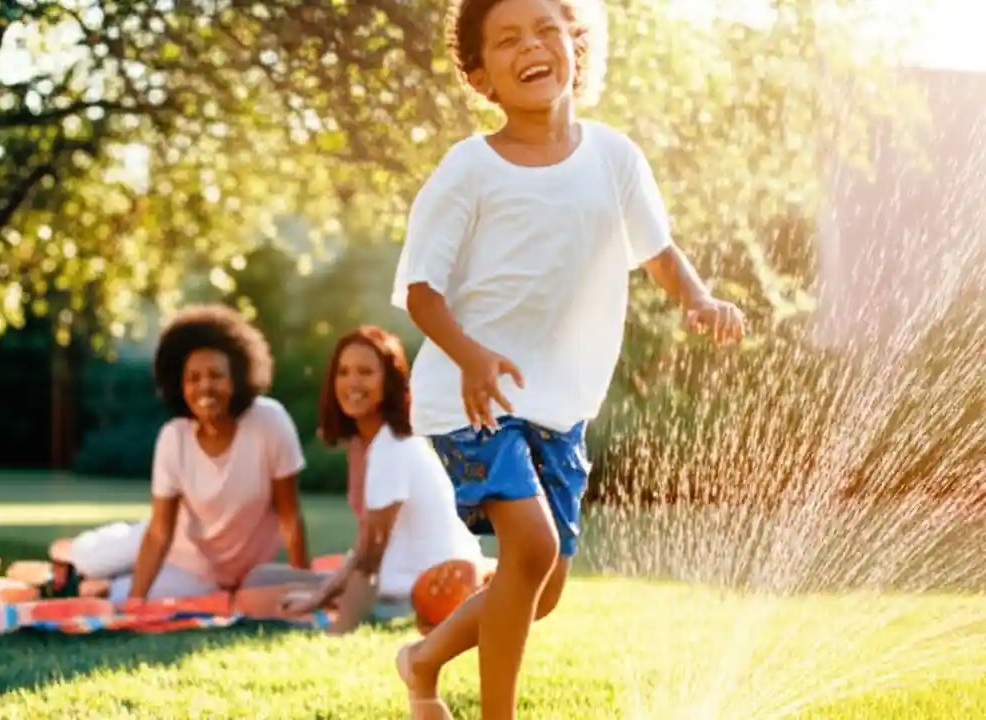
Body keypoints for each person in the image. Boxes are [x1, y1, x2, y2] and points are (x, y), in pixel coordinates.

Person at [389, 1, 747, 718]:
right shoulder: (470, 169)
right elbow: (419, 292)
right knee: (529, 548)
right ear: (482, 75)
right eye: (508, 38)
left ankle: (422, 660)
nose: (532, 46)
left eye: (547, 28)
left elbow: (658, 250)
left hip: (561, 404)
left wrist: (698, 299)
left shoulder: (614, 157)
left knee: (541, 586)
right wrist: (470, 357)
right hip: (472, 397)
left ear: (576, 45)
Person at [47, 304, 321, 603]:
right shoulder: (174, 437)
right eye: (193, 378)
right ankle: (70, 556)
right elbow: (160, 532)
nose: (204, 386)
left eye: (216, 375)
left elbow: (290, 516)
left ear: (237, 378)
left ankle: (96, 584)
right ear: (179, 386)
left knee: (113, 596)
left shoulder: (270, 421)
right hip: (168, 544)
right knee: (88, 560)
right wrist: (138, 600)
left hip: (204, 575)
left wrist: (302, 583)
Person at [274, 326, 489, 634]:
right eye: (344, 372)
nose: (353, 382)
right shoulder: (383, 442)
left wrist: (332, 618)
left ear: (389, 382)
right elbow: (366, 547)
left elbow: (369, 556)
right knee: (269, 579)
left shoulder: (392, 448)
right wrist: (320, 597)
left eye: (365, 372)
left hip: (413, 591)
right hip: (401, 579)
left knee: (264, 589)